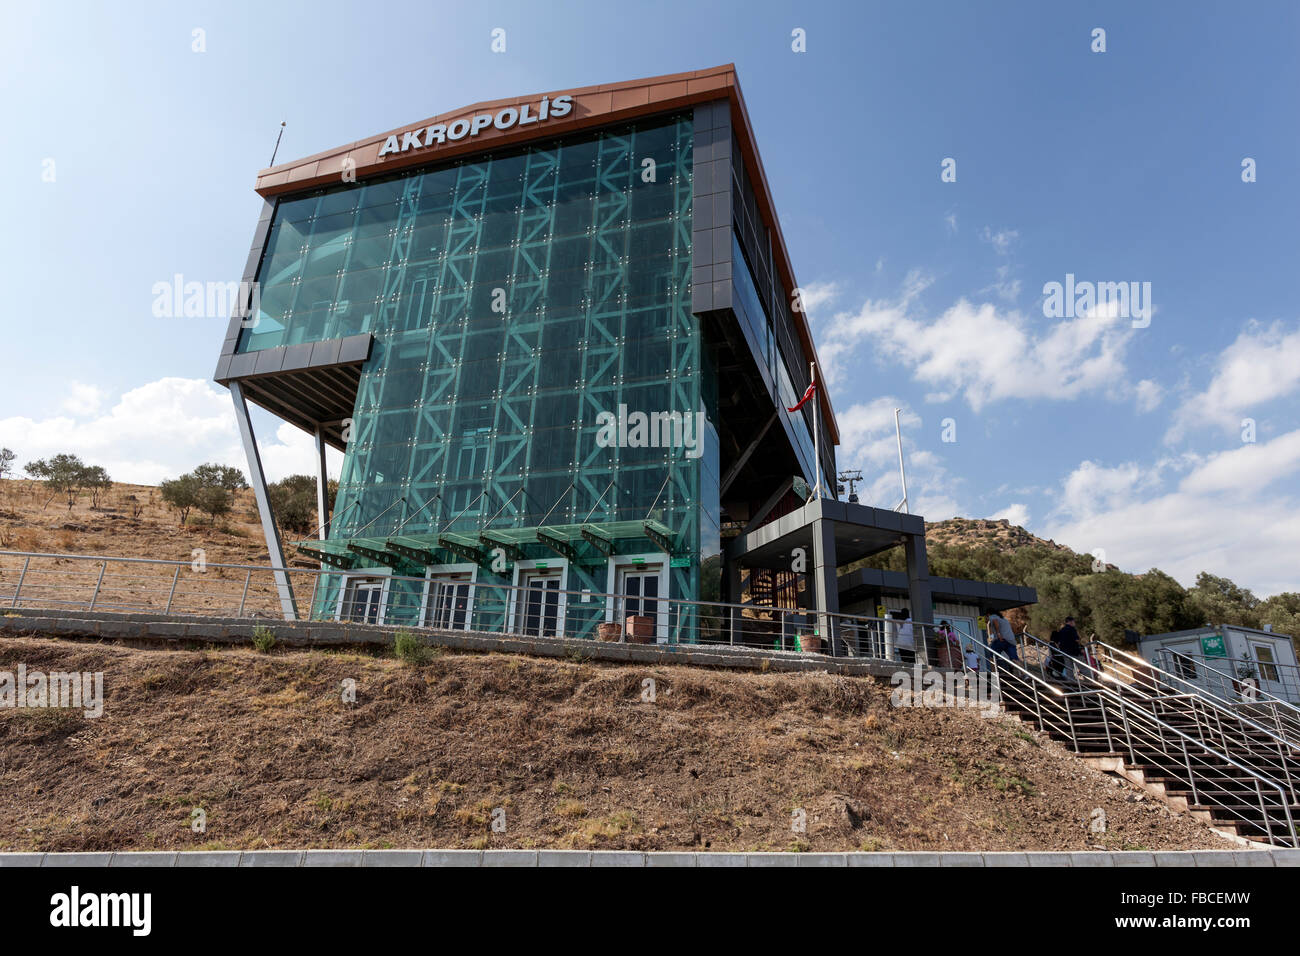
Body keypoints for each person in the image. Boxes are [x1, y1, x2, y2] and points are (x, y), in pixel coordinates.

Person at [1054, 615, 1083, 681]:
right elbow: (1077, 640)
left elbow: (1057, 641)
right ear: (1070, 622)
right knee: (1083, 667)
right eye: (1073, 622)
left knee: (1069, 668)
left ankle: (1071, 681)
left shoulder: (1061, 630)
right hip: (1074, 651)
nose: (1074, 623)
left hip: (1065, 652)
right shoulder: (1072, 629)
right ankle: (1090, 680)